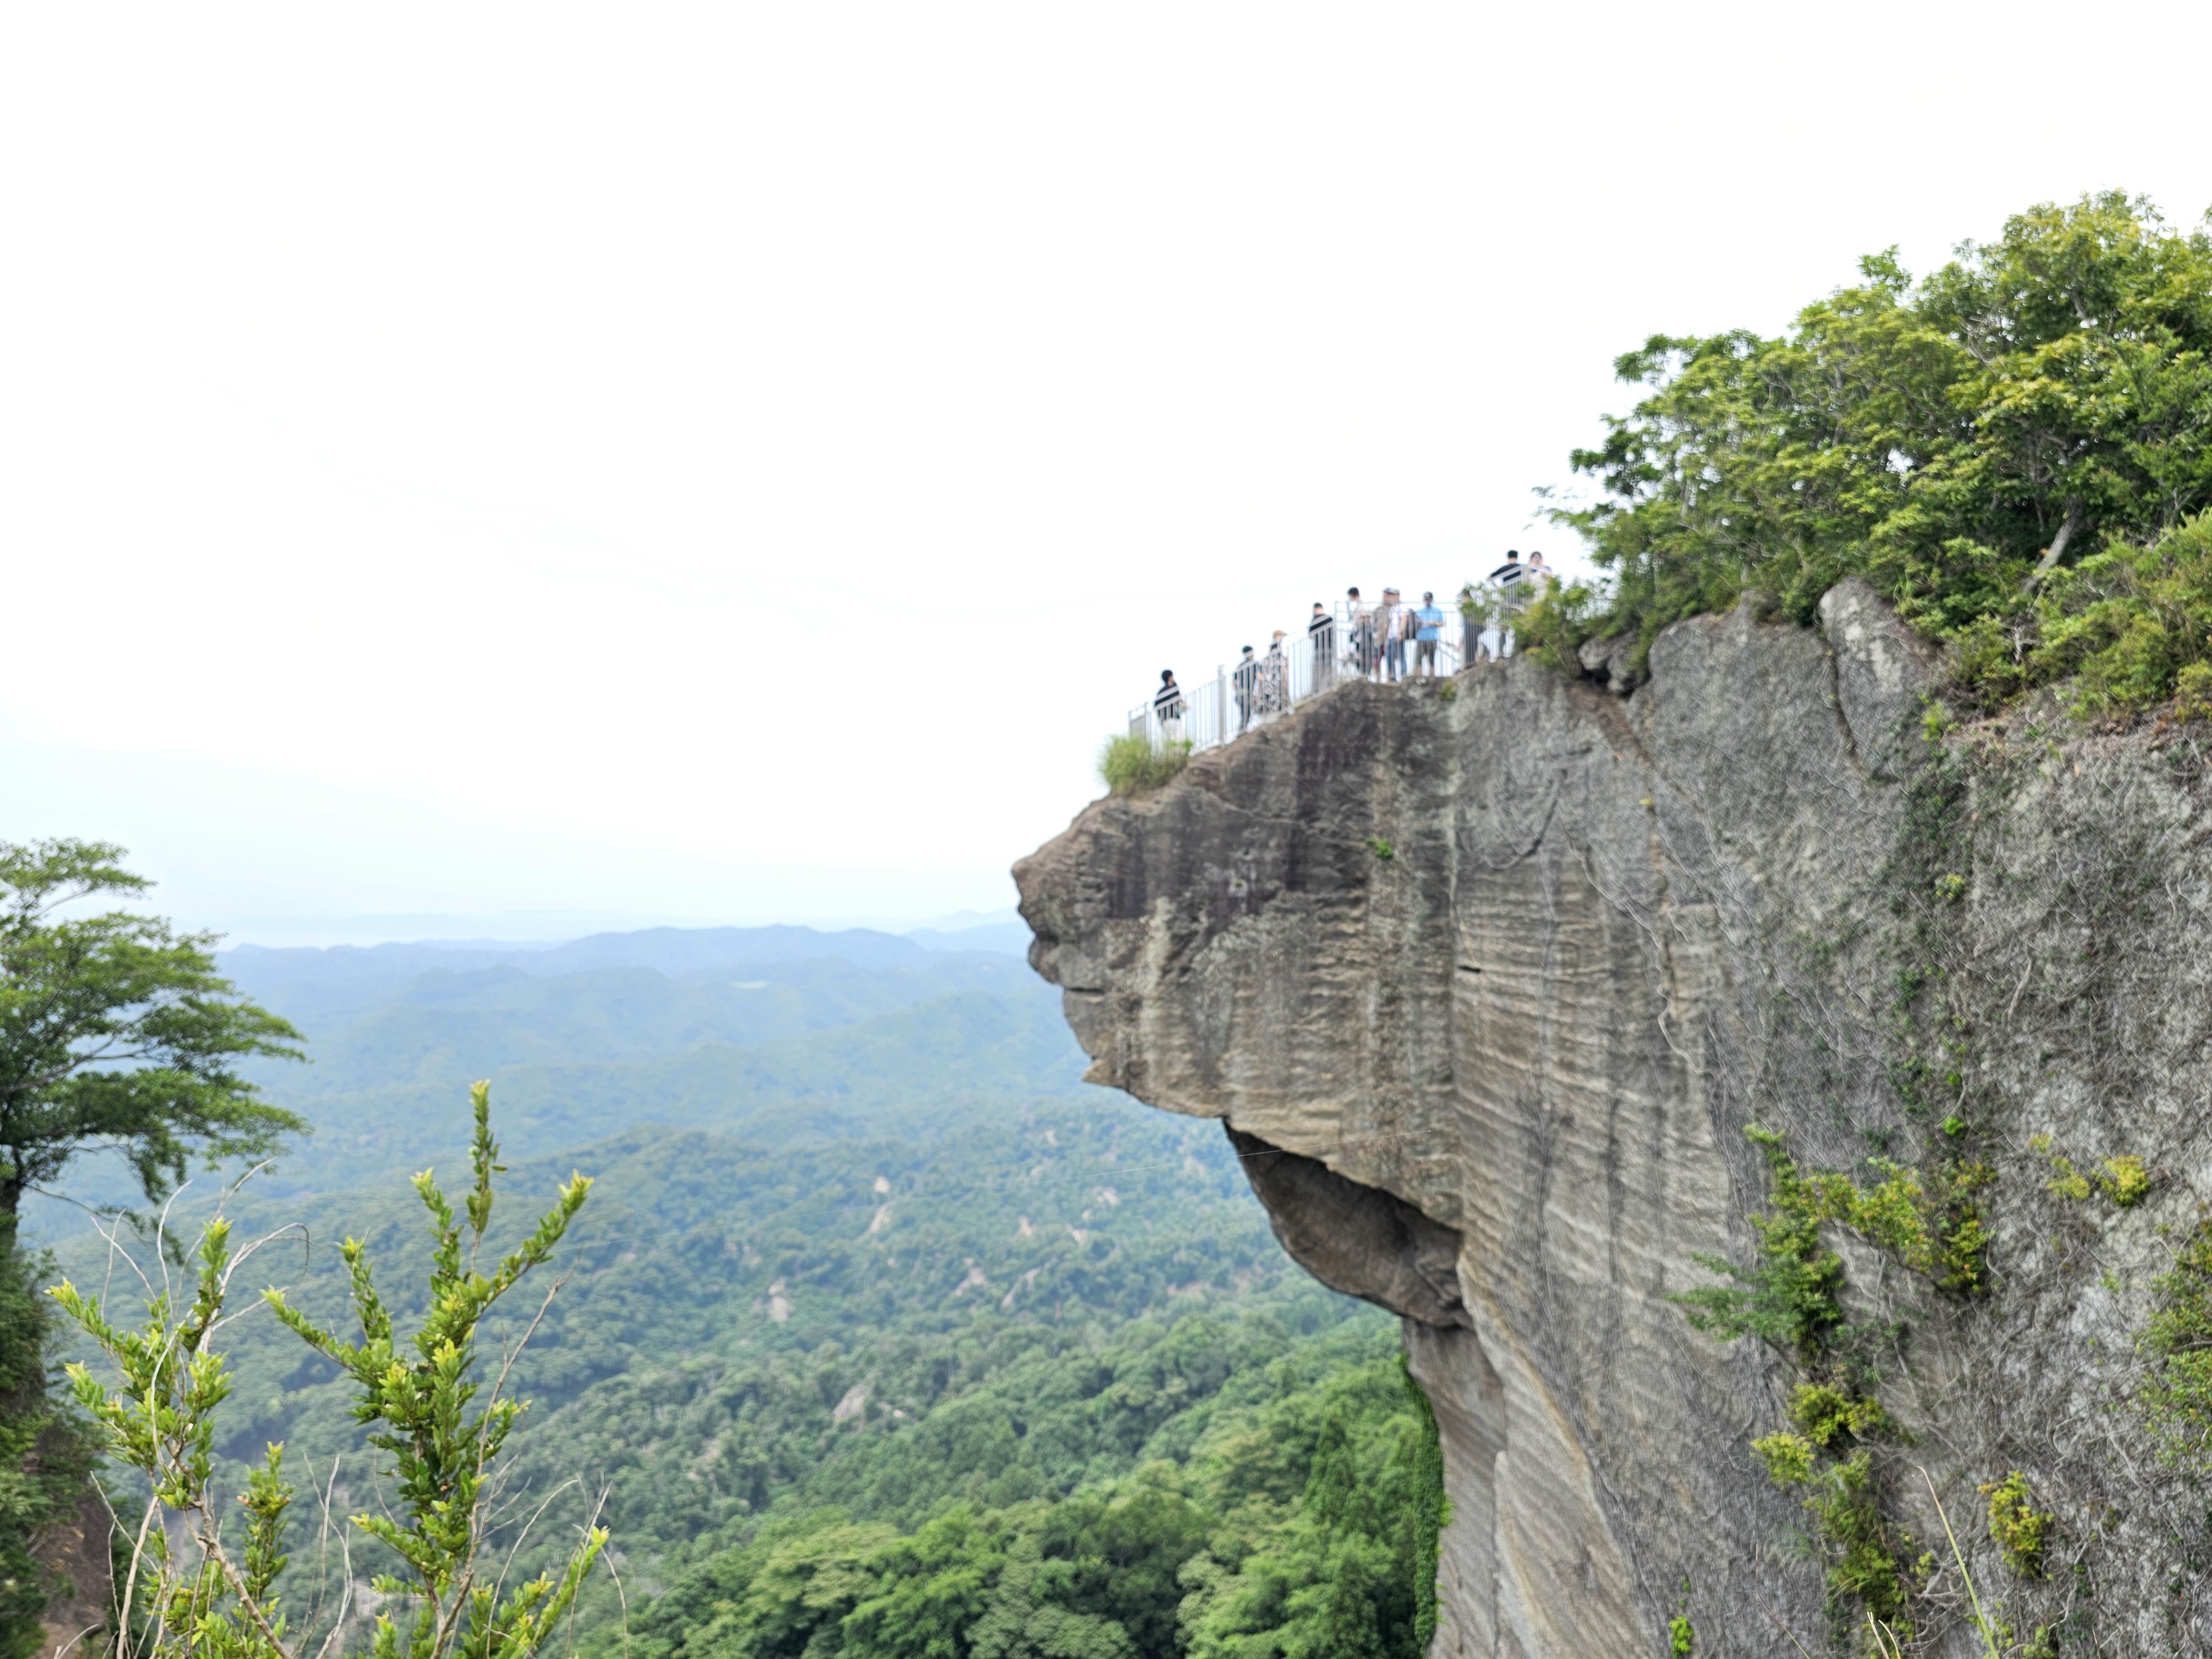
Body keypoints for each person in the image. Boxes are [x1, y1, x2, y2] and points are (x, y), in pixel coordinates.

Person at [1488, 551, 1526, 658]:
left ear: (1508, 557)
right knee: (1518, 626)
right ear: (1517, 557)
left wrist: (1498, 588)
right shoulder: (1521, 568)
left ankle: (1501, 653)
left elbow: (1489, 578)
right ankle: (1517, 650)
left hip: (1506, 600)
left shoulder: (1504, 569)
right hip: (1519, 601)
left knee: (1504, 627)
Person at [1254, 630, 1289, 722]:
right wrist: (1285, 683)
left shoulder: (1267, 658)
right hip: (1275, 684)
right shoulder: (1279, 654)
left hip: (1268, 685)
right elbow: (1283, 669)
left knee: (1270, 705)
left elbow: (1260, 675)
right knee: (1276, 704)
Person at [1414, 589, 1445, 676]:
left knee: (1432, 661)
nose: (1428, 601)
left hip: (1432, 638)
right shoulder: (1419, 612)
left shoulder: (1437, 611)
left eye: (1429, 599)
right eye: (1426, 599)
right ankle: (1417, 678)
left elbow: (1442, 623)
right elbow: (1415, 624)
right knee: (1418, 660)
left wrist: (1434, 623)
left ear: (1432, 600)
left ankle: (1432, 679)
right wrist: (1419, 623)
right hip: (1421, 638)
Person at [1347, 586, 1374, 678]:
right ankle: (1362, 675)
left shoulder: (1363, 605)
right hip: (1359, 635)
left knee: (1365, 655)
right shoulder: (1358, 606)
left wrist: (1361, 619)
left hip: (1365, 635)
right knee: (1359, 655)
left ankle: (1365, 675)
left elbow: (1367, 617)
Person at [1381, 587, 1407, 682]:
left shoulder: (1402, 607)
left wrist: (1400, 633)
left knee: (1401, 657)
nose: (1390, 597)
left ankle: (1404, 676)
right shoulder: (1392, 608)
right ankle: (1392, 677)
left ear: (1397, 596)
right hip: (1391, 637)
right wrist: (1387, 639)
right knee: (1390, 657)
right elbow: (1390, 624)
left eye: (1392, 595)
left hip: (1398, 636)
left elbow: (1404, 620)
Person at [1154, 669, 1186, 744]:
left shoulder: (1161, 692)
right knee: (1179, 737)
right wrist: (1186, 706)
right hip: (1173, 718)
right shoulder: (1173, 688)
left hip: (1163, 720)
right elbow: (1178, 701)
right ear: (1170, 677)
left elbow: (1156, 706)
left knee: (1166, 740)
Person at [1308, 602, 1334, 690]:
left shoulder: (1314, 620)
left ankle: (1318, 690)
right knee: (1328, 669)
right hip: (1329, 648)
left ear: (1315, 609)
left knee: (1318, 671)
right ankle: (1328, 688)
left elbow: (1310, 635)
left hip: (1318, 649)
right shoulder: (1329, 619)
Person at [1232, 645, 1258, 732]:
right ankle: (1242, 730)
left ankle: (1242, 729)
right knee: (1246, 712)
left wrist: (1239, 690)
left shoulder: (1240, 666)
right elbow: (1259, 677)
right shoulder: (1254, 664)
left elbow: (1234, 683)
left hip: (1241, 694)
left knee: (1245, 713)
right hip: (1246, 694)